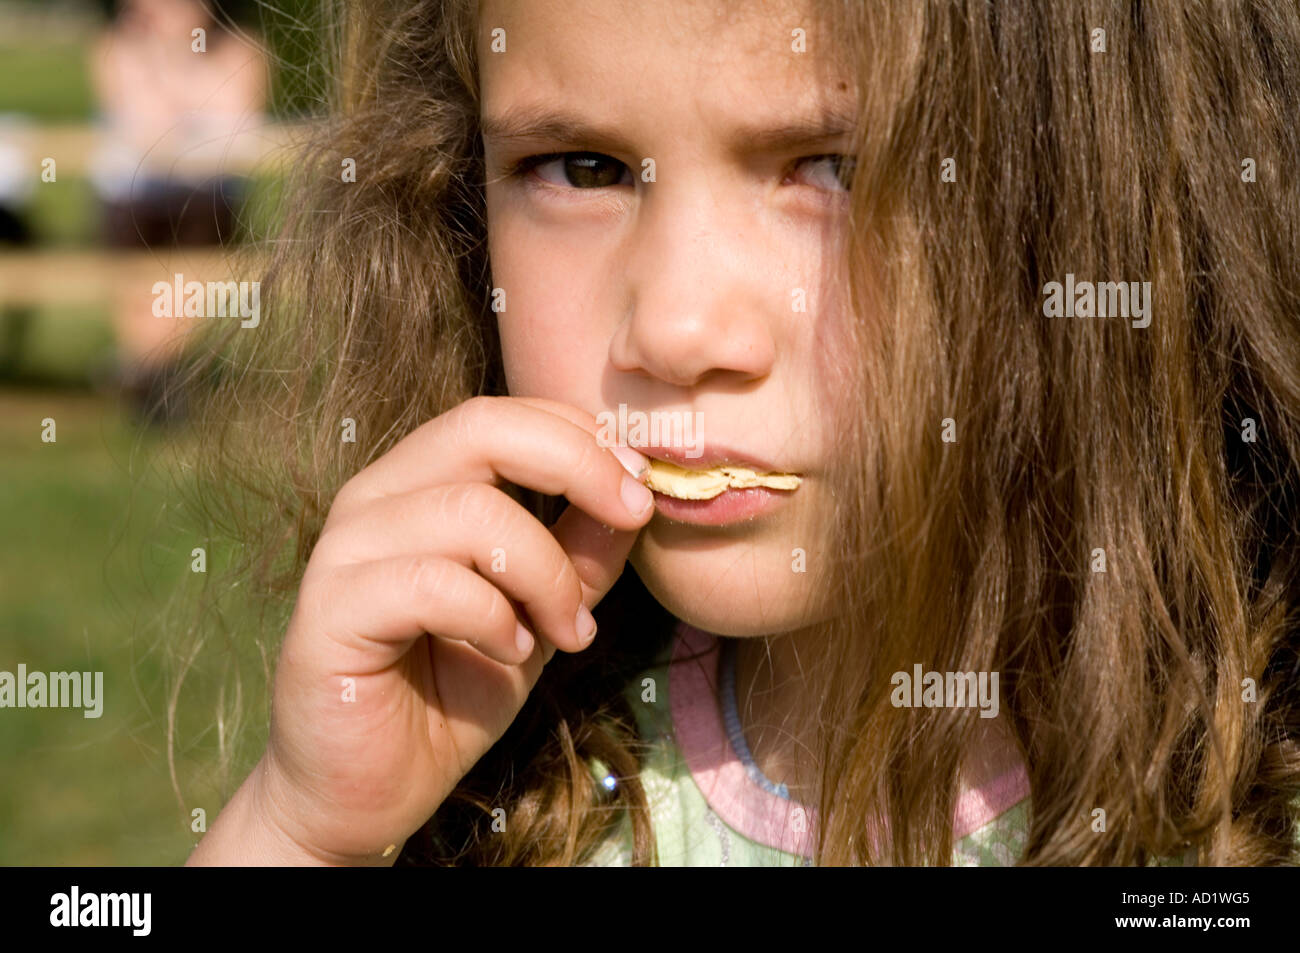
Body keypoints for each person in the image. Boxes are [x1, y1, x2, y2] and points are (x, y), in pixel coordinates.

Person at [182, 0, 1300, 866]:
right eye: (584, 168)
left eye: (831, 165)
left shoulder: (1244, 797)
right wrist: (302, 827)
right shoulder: (517, 769)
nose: (674, 327)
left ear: (1098, 196)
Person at [88, 0, 267, 423]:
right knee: (142, 285)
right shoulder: (116, 48)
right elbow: (142, 125)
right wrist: (168, 61)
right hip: (134, 196)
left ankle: (151, 373)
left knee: (183, 284)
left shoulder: (242, 49)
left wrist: (172, 64)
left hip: (205, 196)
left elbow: (237, 125)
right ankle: (158, 374)